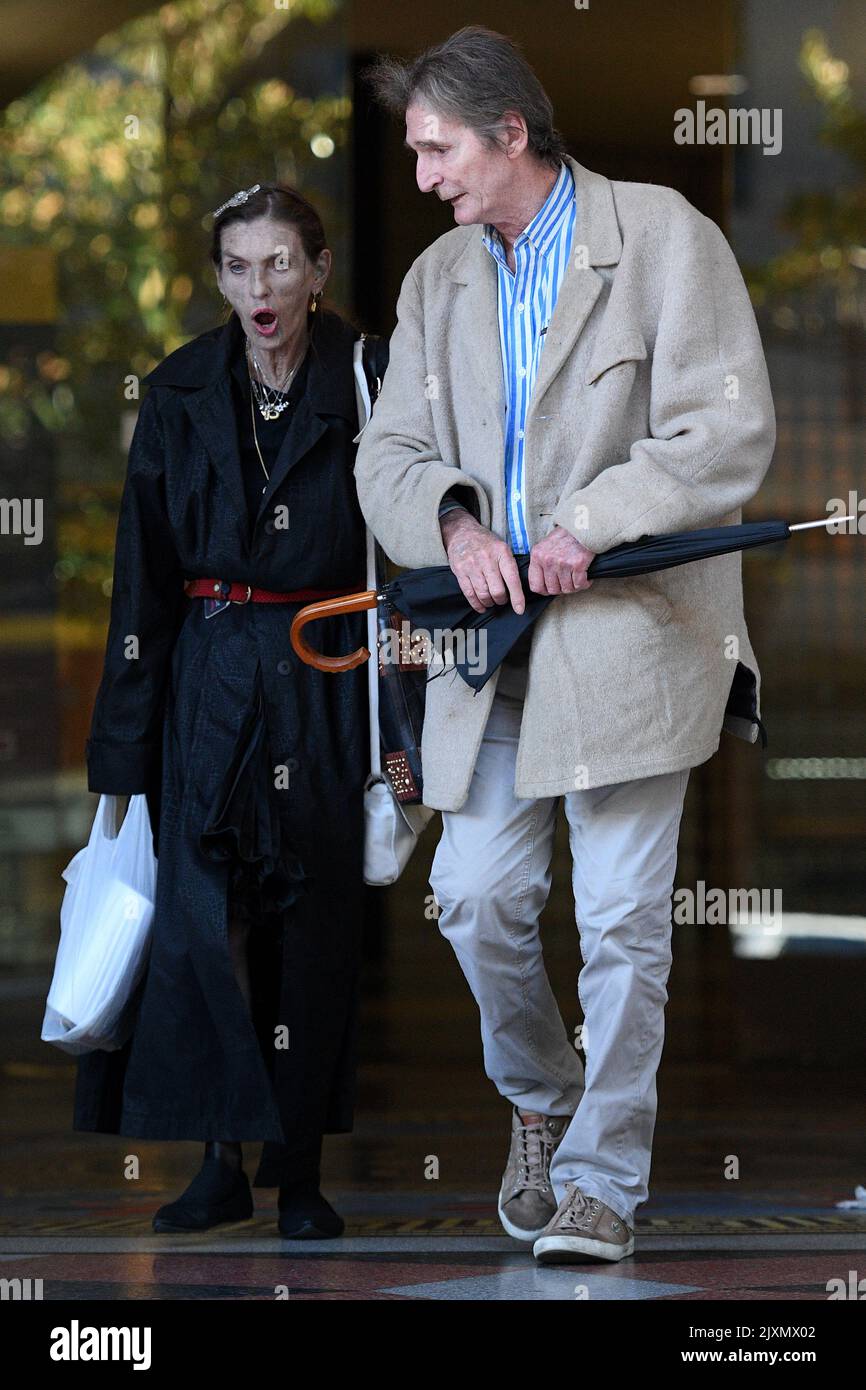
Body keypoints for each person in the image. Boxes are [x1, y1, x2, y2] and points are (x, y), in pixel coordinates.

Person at [355, 27, 775, 1264]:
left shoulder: (662, 239)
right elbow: (385, 455)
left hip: (634, 641)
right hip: (486, 653)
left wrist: (587, 522)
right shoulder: (435, 280)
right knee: (475, 900)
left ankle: (599, 1179)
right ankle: (541, 1096)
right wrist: (451, 521)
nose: (425, 176)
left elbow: (724, 431)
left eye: (437, 150)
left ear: (509, 135)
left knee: (620, 922)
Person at [76, 182, 379, 1239]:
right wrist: (120, 754)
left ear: (318, 271)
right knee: (206, 921)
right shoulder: (177, 392)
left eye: (281, 264)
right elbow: (140, 582)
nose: (262, 288)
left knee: (315, 929)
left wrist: (404, 728)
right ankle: (217, 1160)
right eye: (240, 267)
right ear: (218, 280)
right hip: (207, 670)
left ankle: (297, 1171)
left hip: (323, 666)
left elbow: (402, 553)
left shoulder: (367, 378)